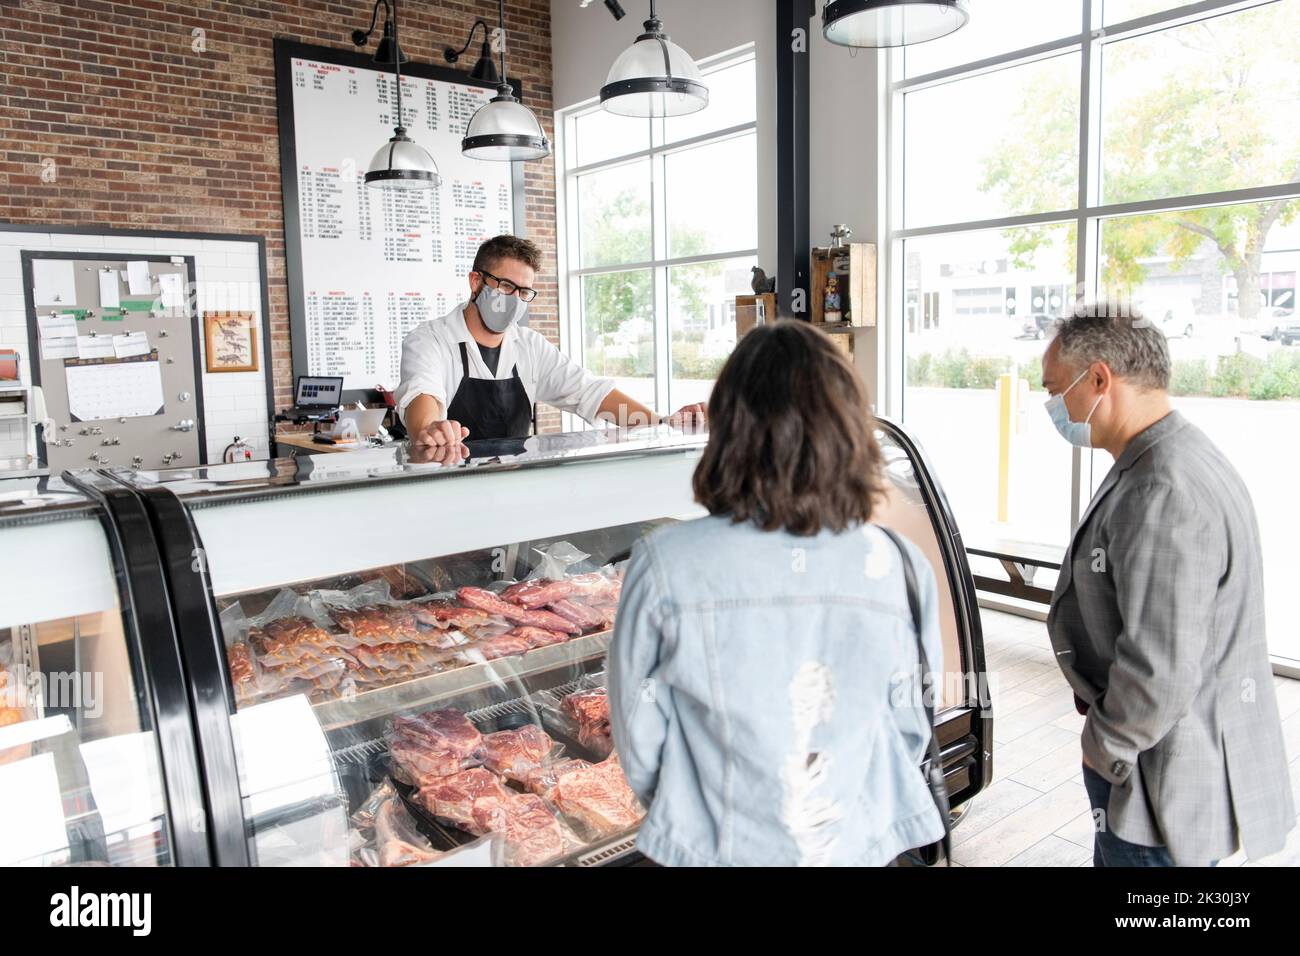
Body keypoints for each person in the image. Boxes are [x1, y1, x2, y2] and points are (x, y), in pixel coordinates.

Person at [608, 320, 947, 866]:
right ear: (847, 431)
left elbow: (638, 733)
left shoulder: (665, 561)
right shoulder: (899, 561)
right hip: (858, 844)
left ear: (728, 429)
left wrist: (689, 811)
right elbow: (910, 721)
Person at [1042, 302, 1294, 867]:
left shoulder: (1163, 489)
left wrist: (1102, 748)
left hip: (1156, 786)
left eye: (1055, 388)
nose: (1052, 405)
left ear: (1099, 379)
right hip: (1167, 765)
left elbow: (1159, 669)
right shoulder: (1176, 454)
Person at [394, 235, 704, 459]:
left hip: (514, 496)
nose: (514, 299)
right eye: (505, 286)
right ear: (476, 282)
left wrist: (661, 424)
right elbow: (424, 397)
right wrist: (431, 428)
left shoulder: (529, 347)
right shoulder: (430, 341)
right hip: (447, 499)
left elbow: (593, 394)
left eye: (524, 291)